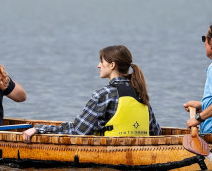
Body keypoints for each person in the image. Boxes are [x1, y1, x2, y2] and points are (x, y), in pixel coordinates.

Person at [22, 45, 161, 142]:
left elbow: (77, 131)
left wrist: (40, 129)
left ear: (112, 65)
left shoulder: (103, 95)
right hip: (139, 158)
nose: (98, 65)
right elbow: (156, 131)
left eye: (101, 61)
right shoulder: (141, 93)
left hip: (110, 166)